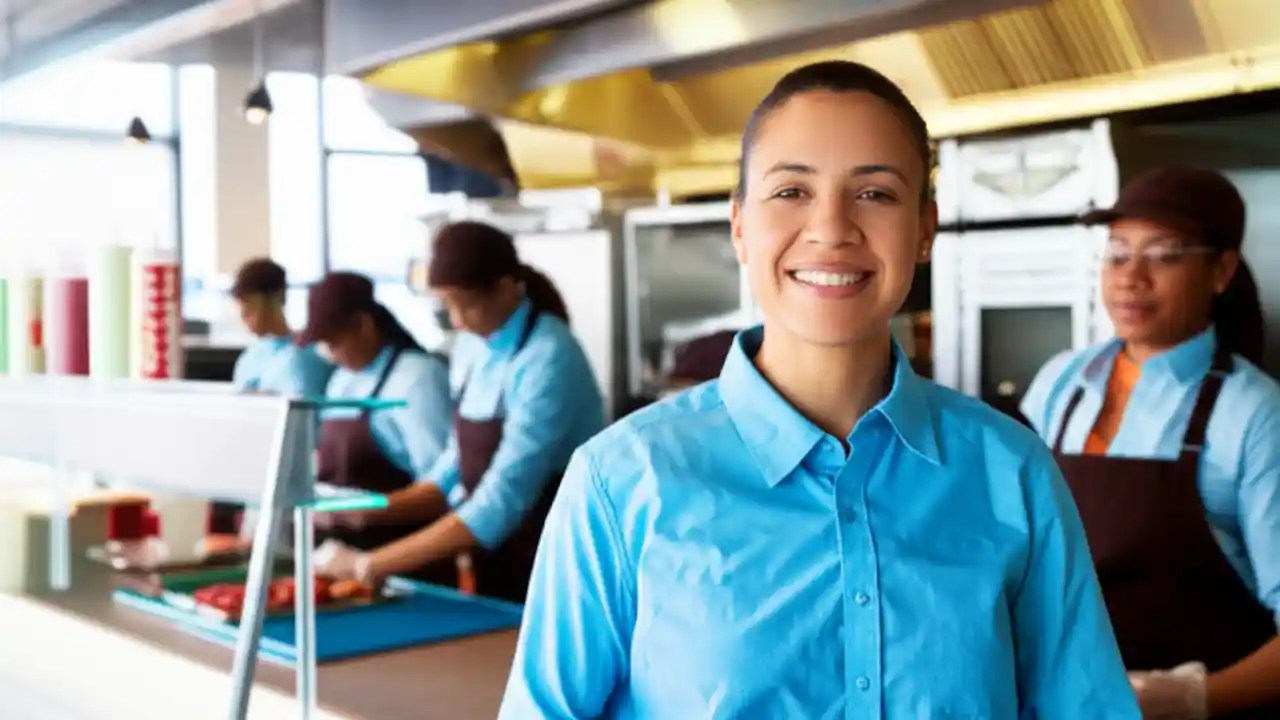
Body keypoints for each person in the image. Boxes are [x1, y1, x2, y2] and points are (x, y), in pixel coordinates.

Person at [498, 61, 1138, 718]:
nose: (831, 229)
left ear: (924, 230)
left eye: (876, 194)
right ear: (741, 225)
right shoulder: (621, 480)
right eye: (791, 192)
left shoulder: (1011, 471)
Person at [1021, 167, 1280, 720]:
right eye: (1117, 253)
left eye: (1164, 255)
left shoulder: (1255, 414)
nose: (1131, 278)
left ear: (1221, 270)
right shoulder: (1060, 384)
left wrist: (1193, 699)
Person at [315, 222, 605, 602]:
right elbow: (449, 472)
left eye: (463, 304)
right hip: (495, 556)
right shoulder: (470, 347)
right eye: (445, 306)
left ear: (505, 288)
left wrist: (369, 564)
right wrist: (359, 510)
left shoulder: (549, 355)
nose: (455, 321)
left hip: (559, 555)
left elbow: (501, 500)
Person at [297, 272, 453, 569]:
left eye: (333, 341)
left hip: (399, 561)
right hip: (335, 559)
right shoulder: (341, 380)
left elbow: (440, 491)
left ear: (364, 325)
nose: (330, 354)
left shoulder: (418, 378)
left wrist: (365, 511)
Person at [206, 259, 335, 549]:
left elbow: (313, 434)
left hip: (294, 481)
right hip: (256, 480)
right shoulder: (249, 359)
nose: (246, 318)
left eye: (251, 309)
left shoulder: (305, 360)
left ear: (279, 299)